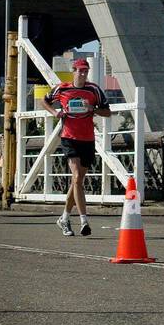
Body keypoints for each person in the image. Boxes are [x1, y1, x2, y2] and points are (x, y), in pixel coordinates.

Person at [43, 59, 110, 237]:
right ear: (73, 71)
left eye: (86, 71)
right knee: (77, 177)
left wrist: (92, 109)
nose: (83, 74)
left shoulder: (94, 90)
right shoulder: (62, 88)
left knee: (77, 181)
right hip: (69, 137)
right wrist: (54, 112)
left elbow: (107, 112)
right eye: (80, 70)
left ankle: (64, 218)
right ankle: (84, 221)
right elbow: (45, 100)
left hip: (87, 139)